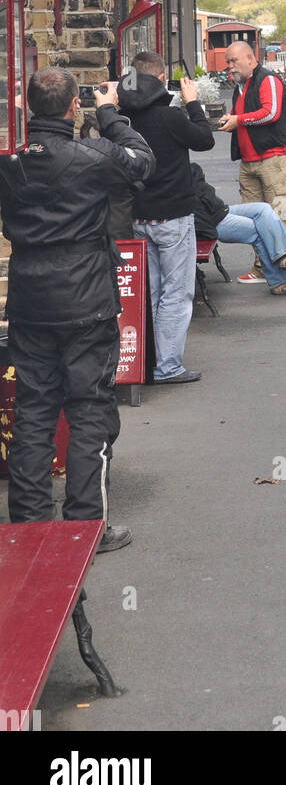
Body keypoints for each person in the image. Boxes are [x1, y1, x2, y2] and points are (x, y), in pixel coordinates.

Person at [0, 68, 155, 550]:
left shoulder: (11, 161)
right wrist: (110, 113)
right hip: (85, 298)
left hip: (31, 298)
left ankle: (28, 527)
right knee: (89, 411)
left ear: (28, 107)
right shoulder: (93, 156)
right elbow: (143, 162)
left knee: (33, 411)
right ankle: (85, 528)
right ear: (73, 106)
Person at [117, 51, 214, 384]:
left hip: (138, 217)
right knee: (177, 293)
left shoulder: (122, 119)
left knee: (152, 291)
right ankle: (167, 365)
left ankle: (148, 360)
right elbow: (204, 140)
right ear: (161, 80)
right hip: (173, 216)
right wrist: (193, 102)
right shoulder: (170, 118)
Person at [218, 42, 286, 273]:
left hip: (273, 159)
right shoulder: (240, 87)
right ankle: (265, 267)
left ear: (250, 59)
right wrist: (231, 118)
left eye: (233, 60)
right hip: (248, 161)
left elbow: (271, 113)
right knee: (253, 219)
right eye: (227, 62)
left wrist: (238, 120)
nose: (229, 66)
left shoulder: (268, 80)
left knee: (280, 213)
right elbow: (245, 115)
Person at [190, 163, 286, 295]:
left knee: (264, 208)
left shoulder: (183, 164)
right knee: (259, 230)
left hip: (219, 210)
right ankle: (280, 282)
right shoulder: (176, 172)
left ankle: (284, 256)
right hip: (209, 222)